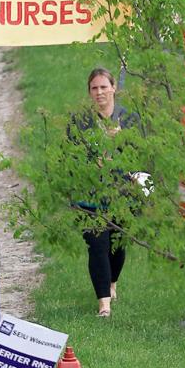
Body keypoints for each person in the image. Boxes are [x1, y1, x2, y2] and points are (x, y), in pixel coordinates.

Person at [71, 66, 139, 316]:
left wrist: (118, 144)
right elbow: (70, 158)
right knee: (97, 245)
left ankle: (112, 282)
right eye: (94, 88)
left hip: (122, 196)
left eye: (103, 87)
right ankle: (104, 303)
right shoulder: (79, 122)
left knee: (116, 246)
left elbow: (139, 158)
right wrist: (94, 159)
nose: (99, 92)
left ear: (113, 88)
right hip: (89, 197)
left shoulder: (129, 120)